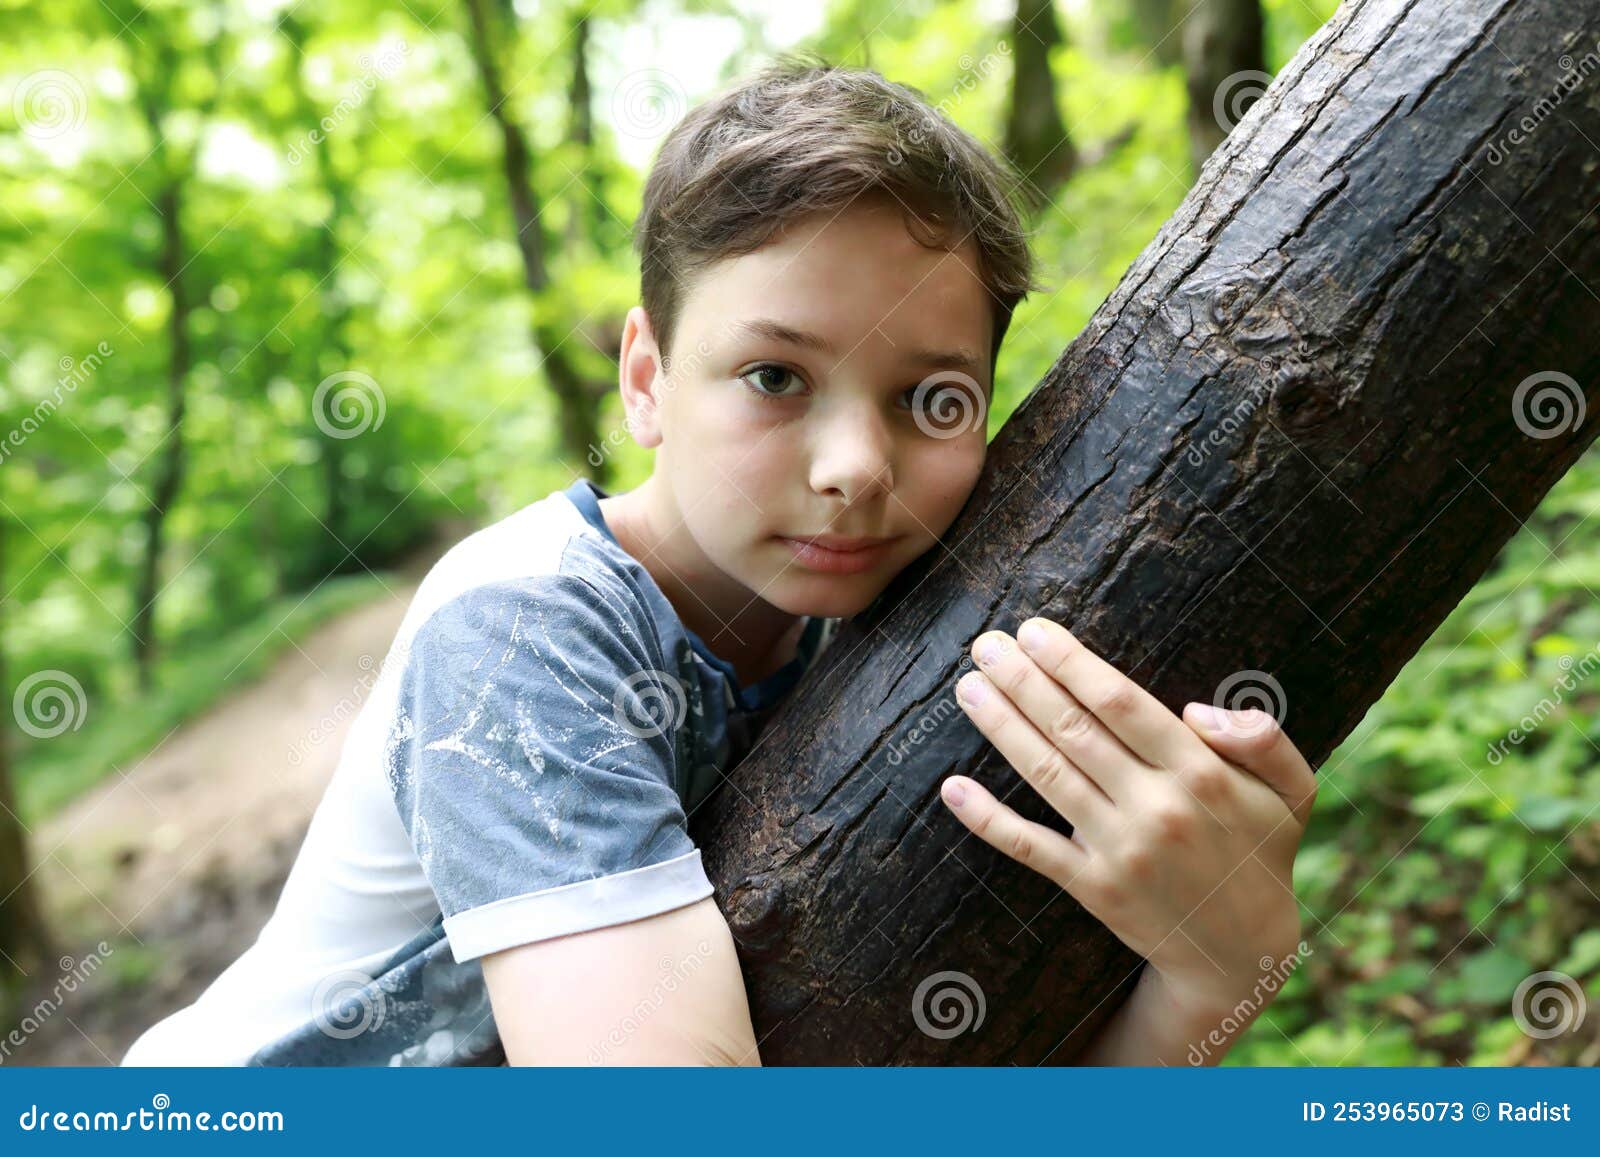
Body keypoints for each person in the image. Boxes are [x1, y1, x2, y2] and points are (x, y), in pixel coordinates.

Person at [122, 55, 1316, 1067]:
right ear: (645, 379)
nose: (856, 464)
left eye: (931, 397)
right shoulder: (526, 631)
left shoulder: (880, 626)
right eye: (774, 376)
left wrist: (1220, 974)